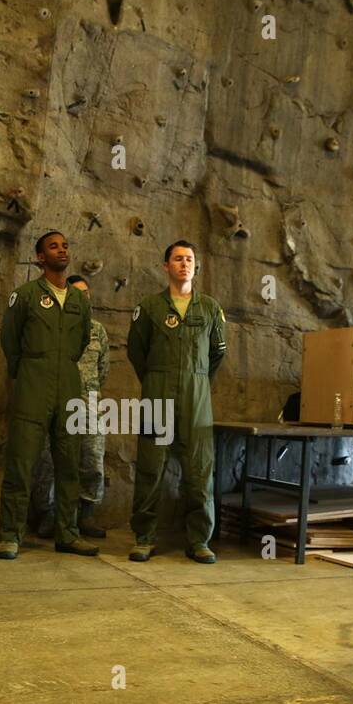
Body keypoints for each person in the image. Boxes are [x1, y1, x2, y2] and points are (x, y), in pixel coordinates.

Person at [0, 231, 98, 559]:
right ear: (40, 257)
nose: (62, 250)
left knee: (69, 462)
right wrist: (26, 371)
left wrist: (61, 365)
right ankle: (11, 534)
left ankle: (67, 533)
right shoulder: (25, 295)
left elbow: (82, 340)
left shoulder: (80, 300)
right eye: (53, 246)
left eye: (65, 245)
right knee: (22, 461)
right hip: (32, 382)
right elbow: (10, 340)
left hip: (67, 383)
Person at [126, 240, 227, 563]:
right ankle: (144, 537)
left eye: (190, 259)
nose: (184, 264)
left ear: (196, 267)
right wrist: (156, 380)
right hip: (157, 389)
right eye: (178, 259)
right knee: (151, 466)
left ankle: (199, 540)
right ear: (165, 266)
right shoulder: (149, 307)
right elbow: (136, 351)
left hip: (196, 394)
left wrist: (196, 382)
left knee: (199, 468)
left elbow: (217, 354)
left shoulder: (210, 308)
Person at [29, 274, 109, 539]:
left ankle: (85, 514)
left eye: (86, 293)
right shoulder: (55, 326)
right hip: (56, 400)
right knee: (50, 461)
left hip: (89, 402)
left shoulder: (98, 330)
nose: (83, 297)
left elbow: (103, 368)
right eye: (77, 293)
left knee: (92, 461)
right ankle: (50, 514)